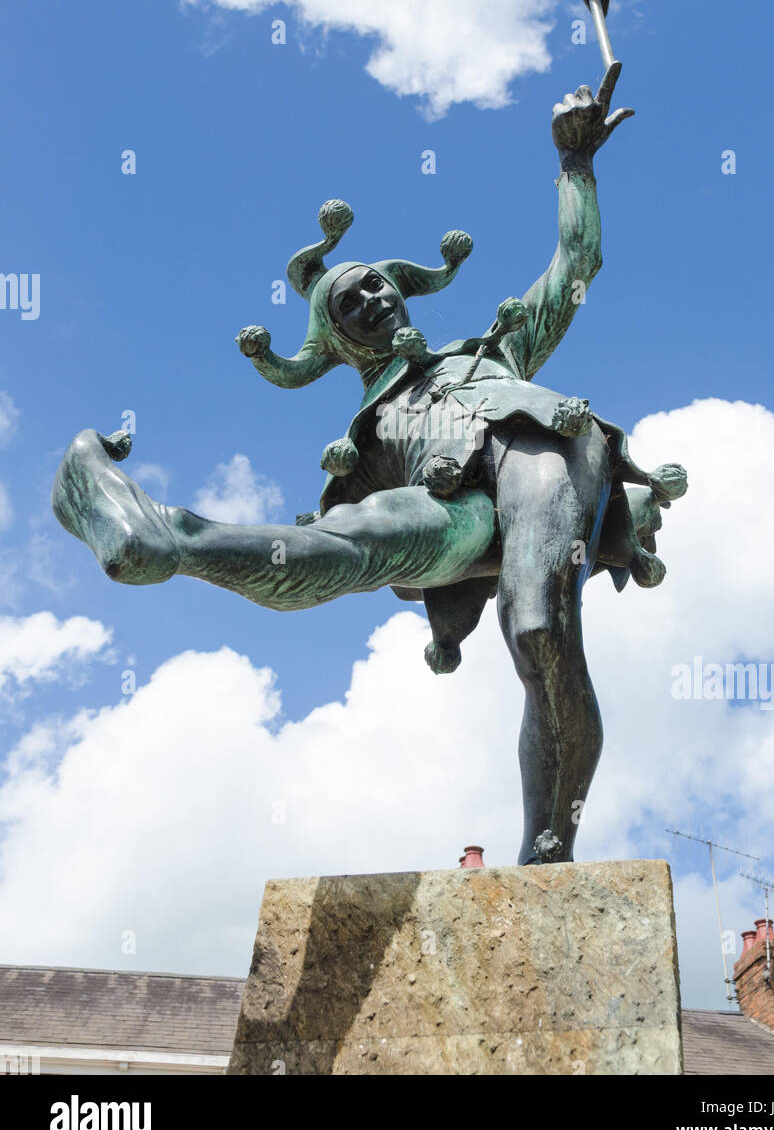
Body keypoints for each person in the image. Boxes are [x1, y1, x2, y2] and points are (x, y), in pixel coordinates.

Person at [53, 62, 686, 864]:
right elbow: (370, 524)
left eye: (378, 288)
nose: (373, 300)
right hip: (451, 501)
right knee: (346, 545)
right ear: (339, 340)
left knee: (536, 626)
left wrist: (575, 165)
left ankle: (548, 840)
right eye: (351, 303)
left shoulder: (496, 348)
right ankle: (166, 539)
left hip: (537, 447)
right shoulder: (375, 429)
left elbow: (575, 264)